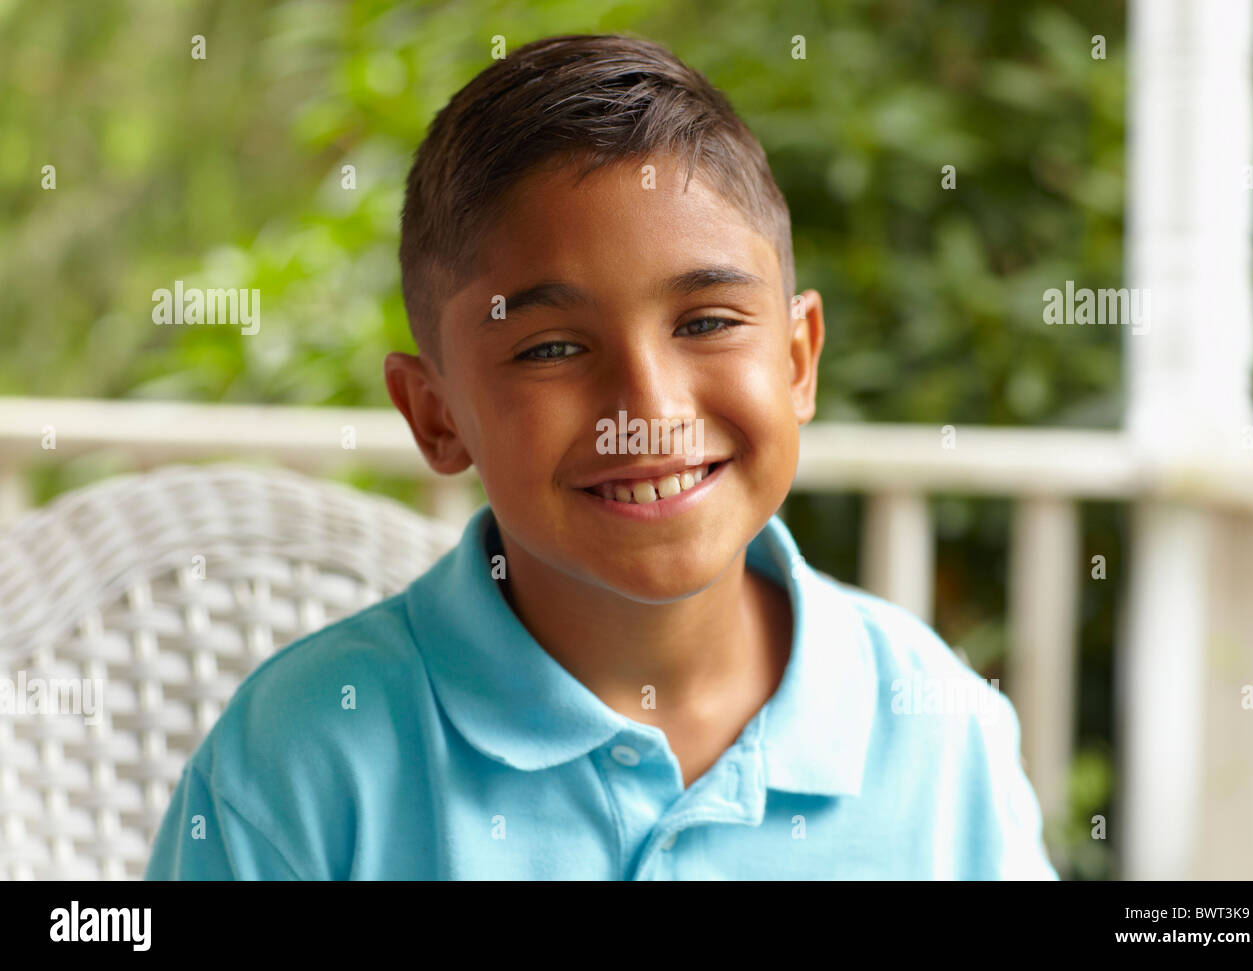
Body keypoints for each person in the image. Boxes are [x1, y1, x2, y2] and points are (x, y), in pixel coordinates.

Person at [146, 32, 1058, 880]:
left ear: (796, 359)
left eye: (706, 322)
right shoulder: (297, 762)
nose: (648, 411)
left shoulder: (941, 736)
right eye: (550, 348)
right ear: (435, 415)